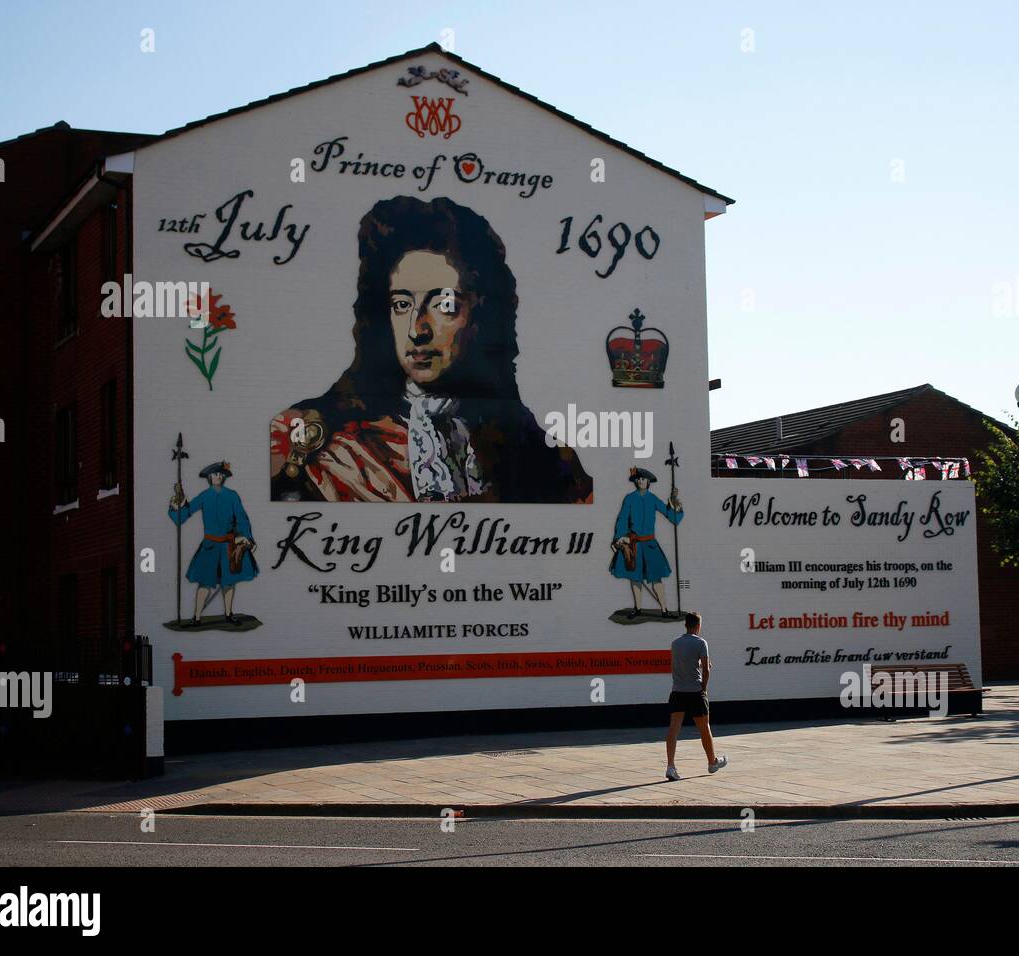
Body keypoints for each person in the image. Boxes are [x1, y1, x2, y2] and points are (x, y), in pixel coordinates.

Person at [270, 195, 592, 504]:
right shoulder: (322, 440)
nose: (417, 330)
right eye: (401, 304)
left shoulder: (535, 447)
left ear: (479, 316)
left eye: (443, 305)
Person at [168, 461, 258, 625]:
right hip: (209, 546)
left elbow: (242, 518)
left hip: (228, 545)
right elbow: (186, 513)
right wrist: (175, 506)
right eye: (215, 474)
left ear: (224, 477)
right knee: (204, 583)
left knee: (228, 582)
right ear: (209, 477)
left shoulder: (232, 495)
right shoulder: (204, 496)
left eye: (220, 474)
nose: (218, 477)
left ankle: (229, 614)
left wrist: (246, 537)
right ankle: (196, 617)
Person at [610, 466, 683, 618]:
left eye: (643, 479)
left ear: (648, 482)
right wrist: (618, 538)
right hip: (634, 544)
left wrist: (675, 504)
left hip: (650, 545)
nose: (640, 481)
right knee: (635, 578)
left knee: (656, 578)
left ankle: (664, 610)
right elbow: (622, 518)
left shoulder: (653, 499)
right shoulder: (629, 498)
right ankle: (637, 608)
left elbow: (671, 516)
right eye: (638, 479)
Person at [665, 611, 726, 780]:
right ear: (698, 626)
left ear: (685, 624)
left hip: (678, 691)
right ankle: (712, 762)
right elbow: (706, 669)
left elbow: (681, 664)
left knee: (673, 729)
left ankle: (671, 766)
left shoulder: (675, 643)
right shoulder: (701, 643)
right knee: (704, 727)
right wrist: (704, 688)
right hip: (695, 692)